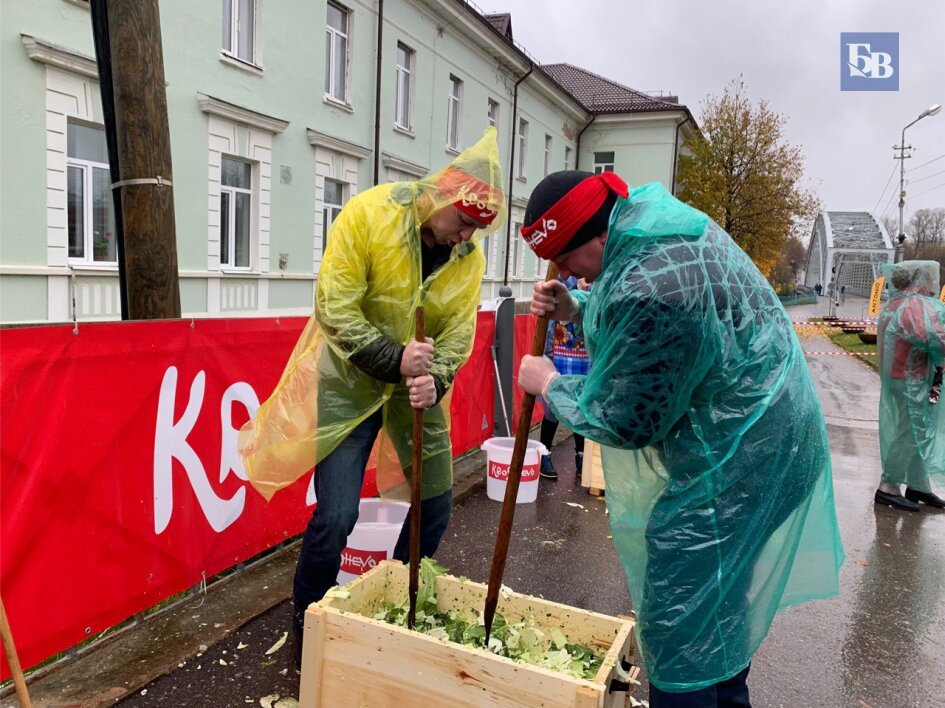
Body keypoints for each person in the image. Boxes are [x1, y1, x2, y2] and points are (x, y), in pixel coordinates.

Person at [516, 170, 843, 706]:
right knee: (719, 603)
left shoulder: (649, 289)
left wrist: (549, 383)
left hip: (739, 463)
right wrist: (578, 308)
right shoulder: (657, 231)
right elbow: (638, 308)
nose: (559, 271)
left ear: (598, 238)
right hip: (777, 445)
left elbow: (628, 420)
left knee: (679, 626)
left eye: (565, 257)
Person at [238, 129, 505, 665]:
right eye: (464, 222)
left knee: (433, 510)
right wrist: (393, 357)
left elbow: (457, 333)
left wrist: (439, 375)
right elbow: (334, 305)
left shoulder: (466, 258)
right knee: (335, 516)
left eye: (478, 229)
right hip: (350, 381)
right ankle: (308, 627)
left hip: (416, 394)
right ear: (443, 197)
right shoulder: (368, 215)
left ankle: (400, 605)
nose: (466, 236)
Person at [873, 260, 945, 512]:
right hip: (909, 379)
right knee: (910, 433)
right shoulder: (913, 307)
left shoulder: (894, 304)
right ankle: (888, 487)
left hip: (898, 377)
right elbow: (935, 338)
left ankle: (917, 484)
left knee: (915, 432)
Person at [538, 275, 590, 483]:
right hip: (561, 351)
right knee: (553, 405)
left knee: (582, 404)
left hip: (586, 355)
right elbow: (554, 312)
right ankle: (544, 454)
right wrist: (547, 354)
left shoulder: (597, 278)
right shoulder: (563, 279)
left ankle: (581, 456)